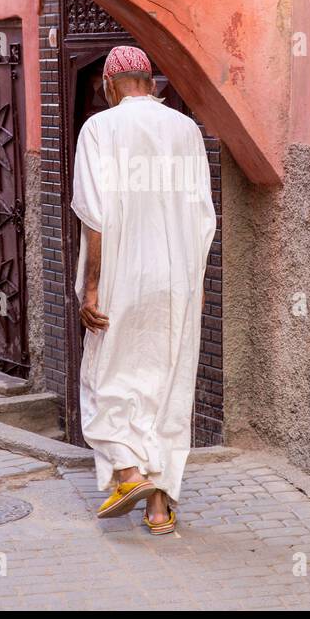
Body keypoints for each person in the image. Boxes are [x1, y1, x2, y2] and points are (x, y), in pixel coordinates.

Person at [70, 45, 217, 535]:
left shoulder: (99, 128)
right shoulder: (186, 129)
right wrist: (191, 285)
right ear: (150, 83)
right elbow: (203, 217)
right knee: (167, 385)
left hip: (121, 275)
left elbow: (93, 214)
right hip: (175, 279)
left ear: (111, 86)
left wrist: (91, 288)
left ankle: (129, 472)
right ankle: (158, 509)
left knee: (108, 378)